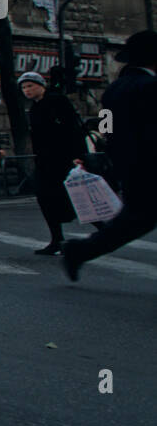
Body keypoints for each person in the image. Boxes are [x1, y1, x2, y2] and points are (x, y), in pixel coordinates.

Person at [63, 31, 157, 280]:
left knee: (134, 220)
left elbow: (107, 129)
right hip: (150, 165)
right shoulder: (150, 87)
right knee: (135, 220)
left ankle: (79, 250)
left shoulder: (113, 91)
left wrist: (116, 160)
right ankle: (78, 251)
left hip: (130, 166)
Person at [19, 70, 86, 254]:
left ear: (41, 85)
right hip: (45, 160)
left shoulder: (58, 101)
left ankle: (104, 230)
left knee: (77, 195)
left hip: (64, 158)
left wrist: (78, 155)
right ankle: (56, 239)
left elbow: (73, 128)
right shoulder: (34, 108)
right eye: (24, 88)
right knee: (45, 197)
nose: (27, 90)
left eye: (30, 86)